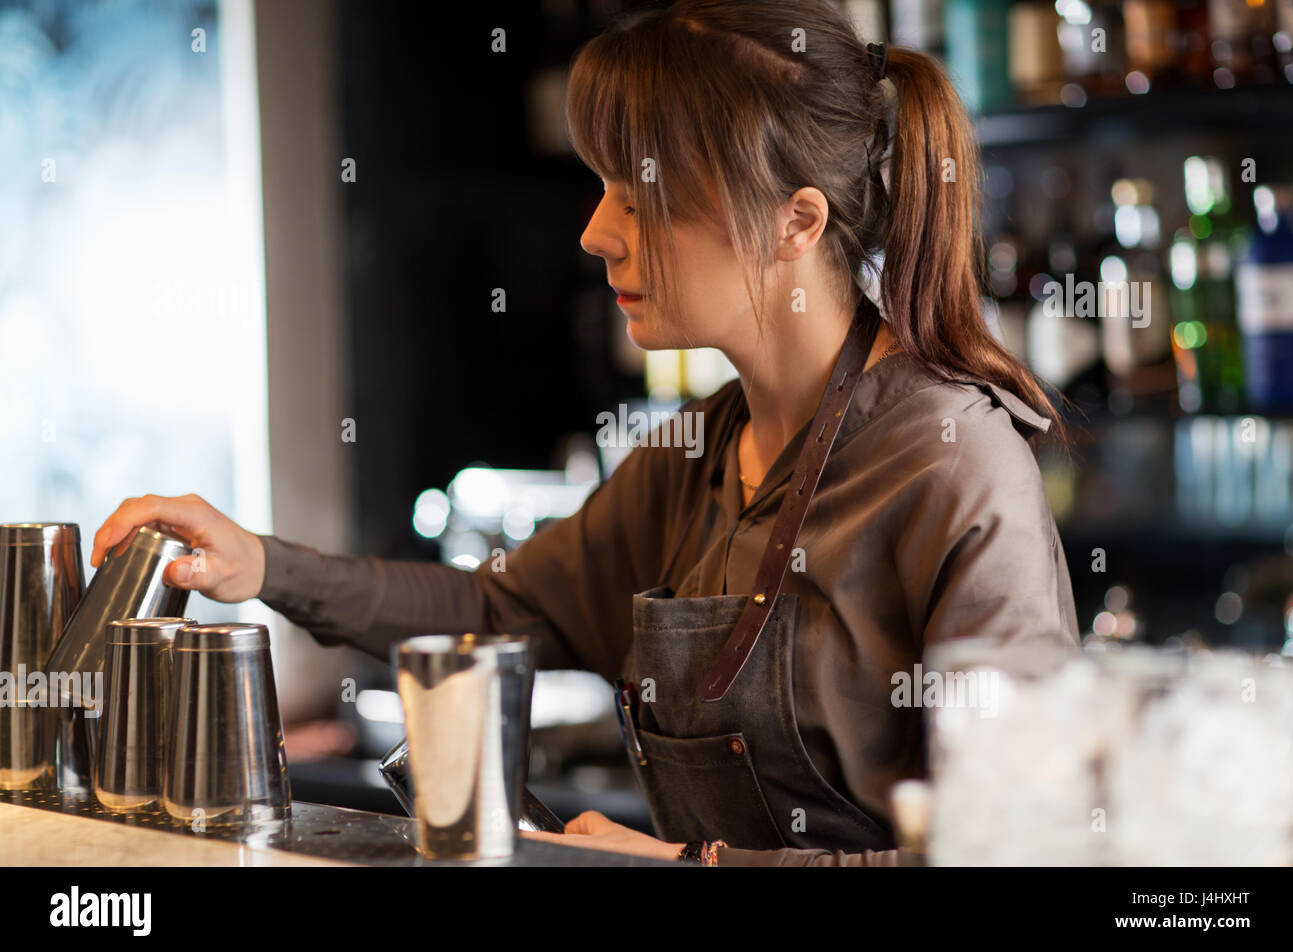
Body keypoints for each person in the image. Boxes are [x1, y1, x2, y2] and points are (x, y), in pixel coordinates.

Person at [91, 0, 1080, 866]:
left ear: (797, 221)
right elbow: (497, 604)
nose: (596, 231)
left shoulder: (954, 466)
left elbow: (1010, 853)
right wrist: (261, 564)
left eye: (642, 197)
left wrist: (692, 863)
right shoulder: (696, 452)